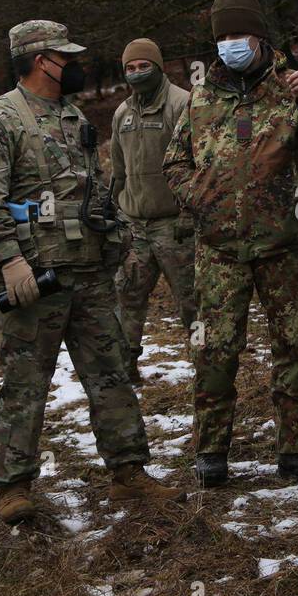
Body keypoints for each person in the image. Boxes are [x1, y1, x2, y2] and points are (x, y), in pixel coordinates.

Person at [0, 20, 181, 525]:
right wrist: (10, 261)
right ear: (42, 60)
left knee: (111, 375)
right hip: (37, 276)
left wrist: (115, 234)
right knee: (25, 382)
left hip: (89, 273)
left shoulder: (71, 115)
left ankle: (129, 472)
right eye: (67, 56)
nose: (77, 64)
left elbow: (92, 188)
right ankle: (13, 486)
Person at [164, 0, 298, 488]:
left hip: (281, 248)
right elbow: (174, 161)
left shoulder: (292, 89)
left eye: (240, 34)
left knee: (295, 349)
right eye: (223, 36)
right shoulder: (201, 98)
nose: (231, 43)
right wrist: (194, 192)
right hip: (218, 251)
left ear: (261, 38)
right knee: (215, 354)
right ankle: (211, 454)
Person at [109, 38, 196, 382]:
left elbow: (199, 163)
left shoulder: (182, 104)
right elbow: (118, 171)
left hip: (176, 225)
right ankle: (124, 369)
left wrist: (191, 214)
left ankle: (207, 365)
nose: (136, 73)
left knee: (193, 303)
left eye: (143, 66)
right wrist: (112, 213)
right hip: (135, 227)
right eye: (129, 68)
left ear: (158, 67)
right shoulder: (122, 113)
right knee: (127, 299)